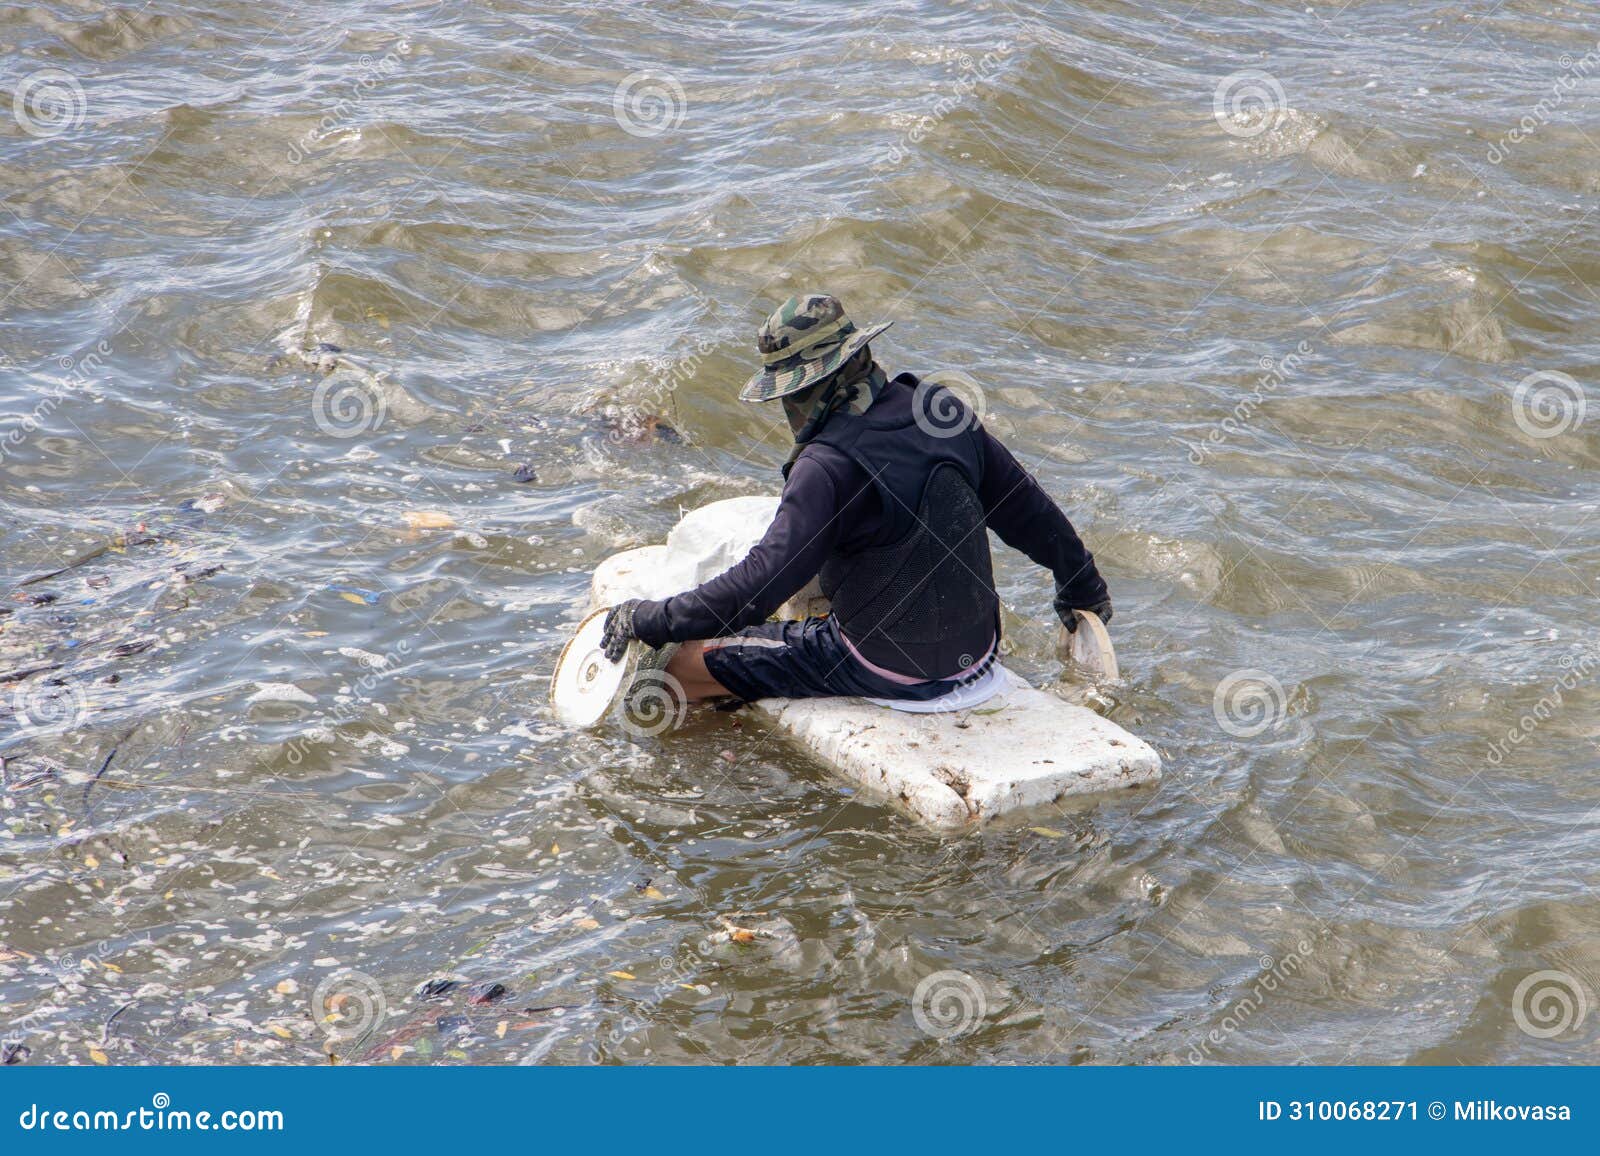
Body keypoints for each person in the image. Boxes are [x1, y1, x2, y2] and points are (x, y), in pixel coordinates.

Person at [600, 292, 1111, 707]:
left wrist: (649, 618)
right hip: (978, 654)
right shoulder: (939, 406)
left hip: (889, 669)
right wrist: (1082, 587)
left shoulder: (825, 466)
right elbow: (1027, 511)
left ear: (804, 390)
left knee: (677, 667)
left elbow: (755, 589)